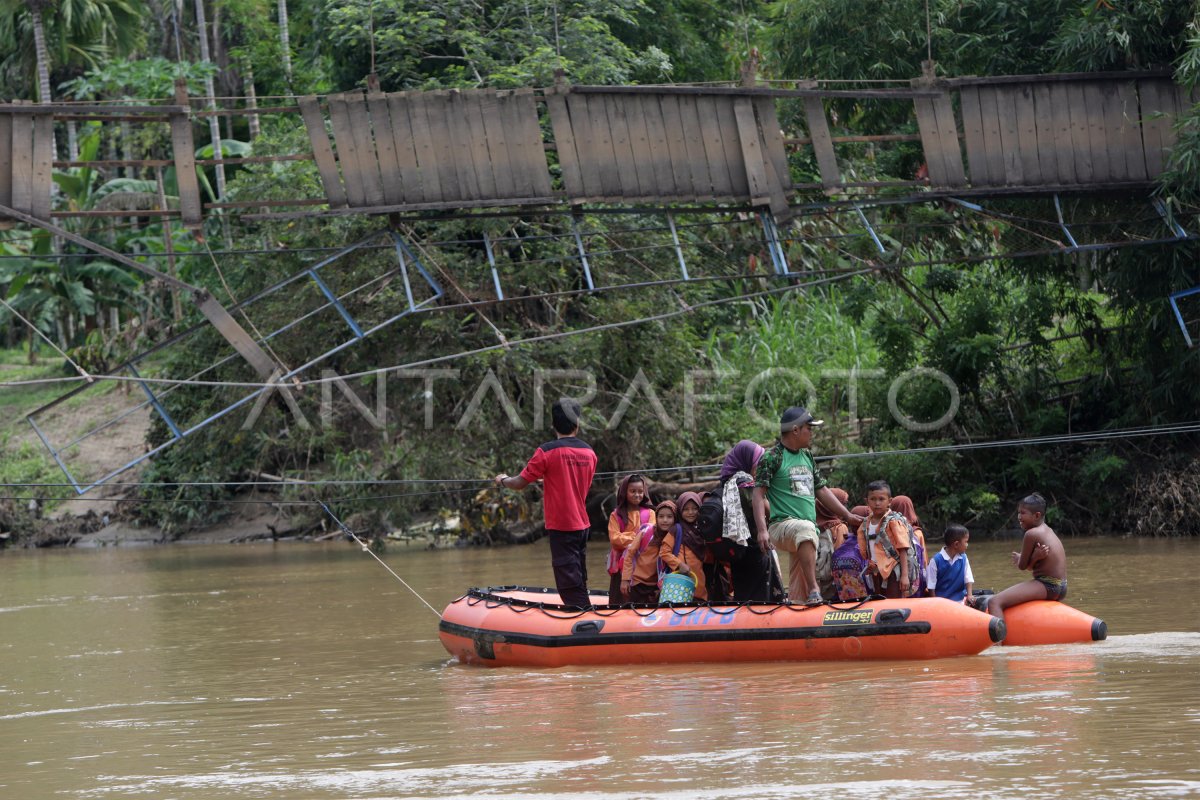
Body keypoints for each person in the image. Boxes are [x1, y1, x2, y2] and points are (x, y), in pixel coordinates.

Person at [753, 406, 862, 605]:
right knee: (806, 529)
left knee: (798, 591)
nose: (811, 432)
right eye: (809, 428)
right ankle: (815, 588)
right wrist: (762, 530)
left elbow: (822, 490)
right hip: (782, 526)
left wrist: (848, 516)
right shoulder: (772, 457)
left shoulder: (807, 456)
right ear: (796, 430)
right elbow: (758, 495)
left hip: (805, 532)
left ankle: (800, 611)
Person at [495, 398, 597, 609]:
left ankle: (584, 618)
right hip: (583, 525)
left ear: (553, 425)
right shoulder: (590, 453)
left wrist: (502, 480)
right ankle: (584, 611)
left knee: (568, 582)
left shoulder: (546, 452)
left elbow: (519, 483)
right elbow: (573, 479)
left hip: (562, 525)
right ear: (577, 425)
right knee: (578, 575)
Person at [713, 439, 784, 602]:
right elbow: (763, 507)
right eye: (758, 464)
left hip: (738, 549)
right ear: (746, 460)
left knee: (744, 591)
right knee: (760, 594)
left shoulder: (726, 482)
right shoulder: (744, 480)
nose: (761, 469)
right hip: (753, 547)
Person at [987, 493, 1067, 620]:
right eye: (1018, 512)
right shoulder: (1047, 530)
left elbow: (1022, 566)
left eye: (1023, 513)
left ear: (1036, 515)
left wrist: (1027, 557)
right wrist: (1035, 557)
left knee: (994, 602)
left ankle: (998, 640)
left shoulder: (1031, 534)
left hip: (1048, 585)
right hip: (1061, 587)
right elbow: (1032, 567)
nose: (1019, 517)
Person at [855, 480, 913, 599]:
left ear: (889, 501)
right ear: (867, 501)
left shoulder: (894, 522)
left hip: (893, 571)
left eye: (881, 499)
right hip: (875, 571)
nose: (877, 503)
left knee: (893, 603)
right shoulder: (865, 523)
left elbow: (903, 548)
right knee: (878, 601)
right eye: (873, 499)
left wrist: (905, 576)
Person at [606, 473, 655, 605]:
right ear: (624, 492)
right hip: (620, 567)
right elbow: (615, 540)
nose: (637, 495)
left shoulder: (651, 513)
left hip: (643, 564)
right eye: (633, 491)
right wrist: (637, 536)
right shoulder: (616, 515)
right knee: (618, 599)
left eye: (640, 491)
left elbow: (650, 539)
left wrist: (627, 537)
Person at [621, 500, 674, 604]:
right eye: (661, 516)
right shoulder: (647, 532)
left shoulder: (674, 537)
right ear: (656, 518)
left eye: (669, 517)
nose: (665, 520)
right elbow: (629, 555)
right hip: (638, 583)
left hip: (658, 585)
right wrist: (625, 579)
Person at [660, 491, 709, 600]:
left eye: (694, 508)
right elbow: (664, 552)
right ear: (680, 510)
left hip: (699, 584)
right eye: (686, 509)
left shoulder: (702, 530)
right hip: (679, 584)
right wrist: (679, 564)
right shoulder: (676, 530)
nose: (690, 512)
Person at [815, 487, 851, 599]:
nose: (843, 508)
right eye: (842, 504)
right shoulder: (839, 528)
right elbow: (842, 558)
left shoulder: (811, 526)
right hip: (832, 581)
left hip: (814, 579)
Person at [926, 523, 974, 604]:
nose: (967, 545)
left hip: (960, 600)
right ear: (956, 544)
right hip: (942, 602)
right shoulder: (936, 560)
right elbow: (931, 586)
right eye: (966, 542)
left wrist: (970, 595)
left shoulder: (964, 558)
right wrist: (934, 603)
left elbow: (968, 578)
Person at [890, 495, 928, 595]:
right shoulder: (917, 533)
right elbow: (924, 561)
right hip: (914, 577)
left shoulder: (890, 530)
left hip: (895, 576)